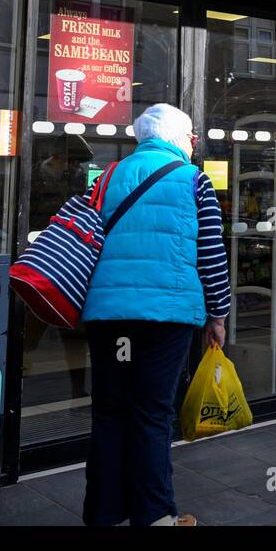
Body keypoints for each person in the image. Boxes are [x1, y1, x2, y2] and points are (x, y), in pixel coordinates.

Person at [81, 103, 231, 526]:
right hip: (166, 315)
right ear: (176, 138)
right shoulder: (192, 179)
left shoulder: (107, 176)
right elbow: (211, 254)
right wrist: (218, 314)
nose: (193, 144)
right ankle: (156, 515)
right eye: (191, 136)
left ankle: (104, 514)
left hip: (108, 314)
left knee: (110, 411)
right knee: (151, 412)